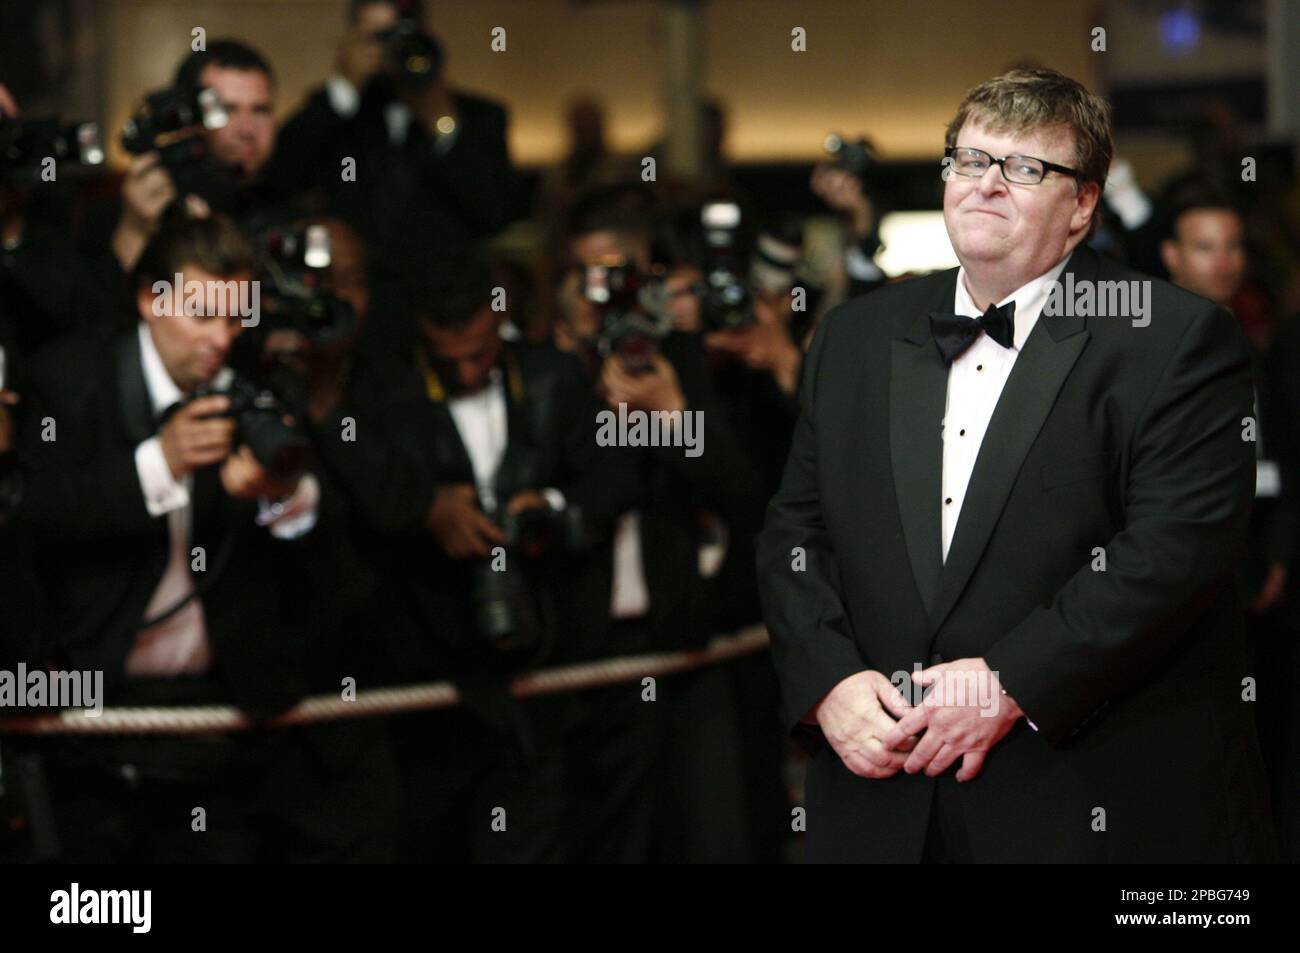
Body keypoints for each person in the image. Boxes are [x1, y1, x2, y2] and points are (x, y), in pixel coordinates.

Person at [757, 67, 1276, 862]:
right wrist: (827, 681)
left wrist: (1009, 684)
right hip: (880, 802)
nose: (986, 186)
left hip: (1082, 799)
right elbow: (797, 527)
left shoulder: (1173, 338)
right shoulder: (854, 336)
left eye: (1026, 168)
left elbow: (1176, 551)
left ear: (1083, 204)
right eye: (969, 160)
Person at [15, 215, 322, 861]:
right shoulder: (70, 378)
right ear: (151, 298)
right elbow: (34, 517)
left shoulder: (259, 380)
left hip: (226, 710)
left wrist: (281, 493)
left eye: (235, 317)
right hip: (86, 703)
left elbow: (326, 544)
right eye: (202, 314)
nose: (220, 338)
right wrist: (161, 463)